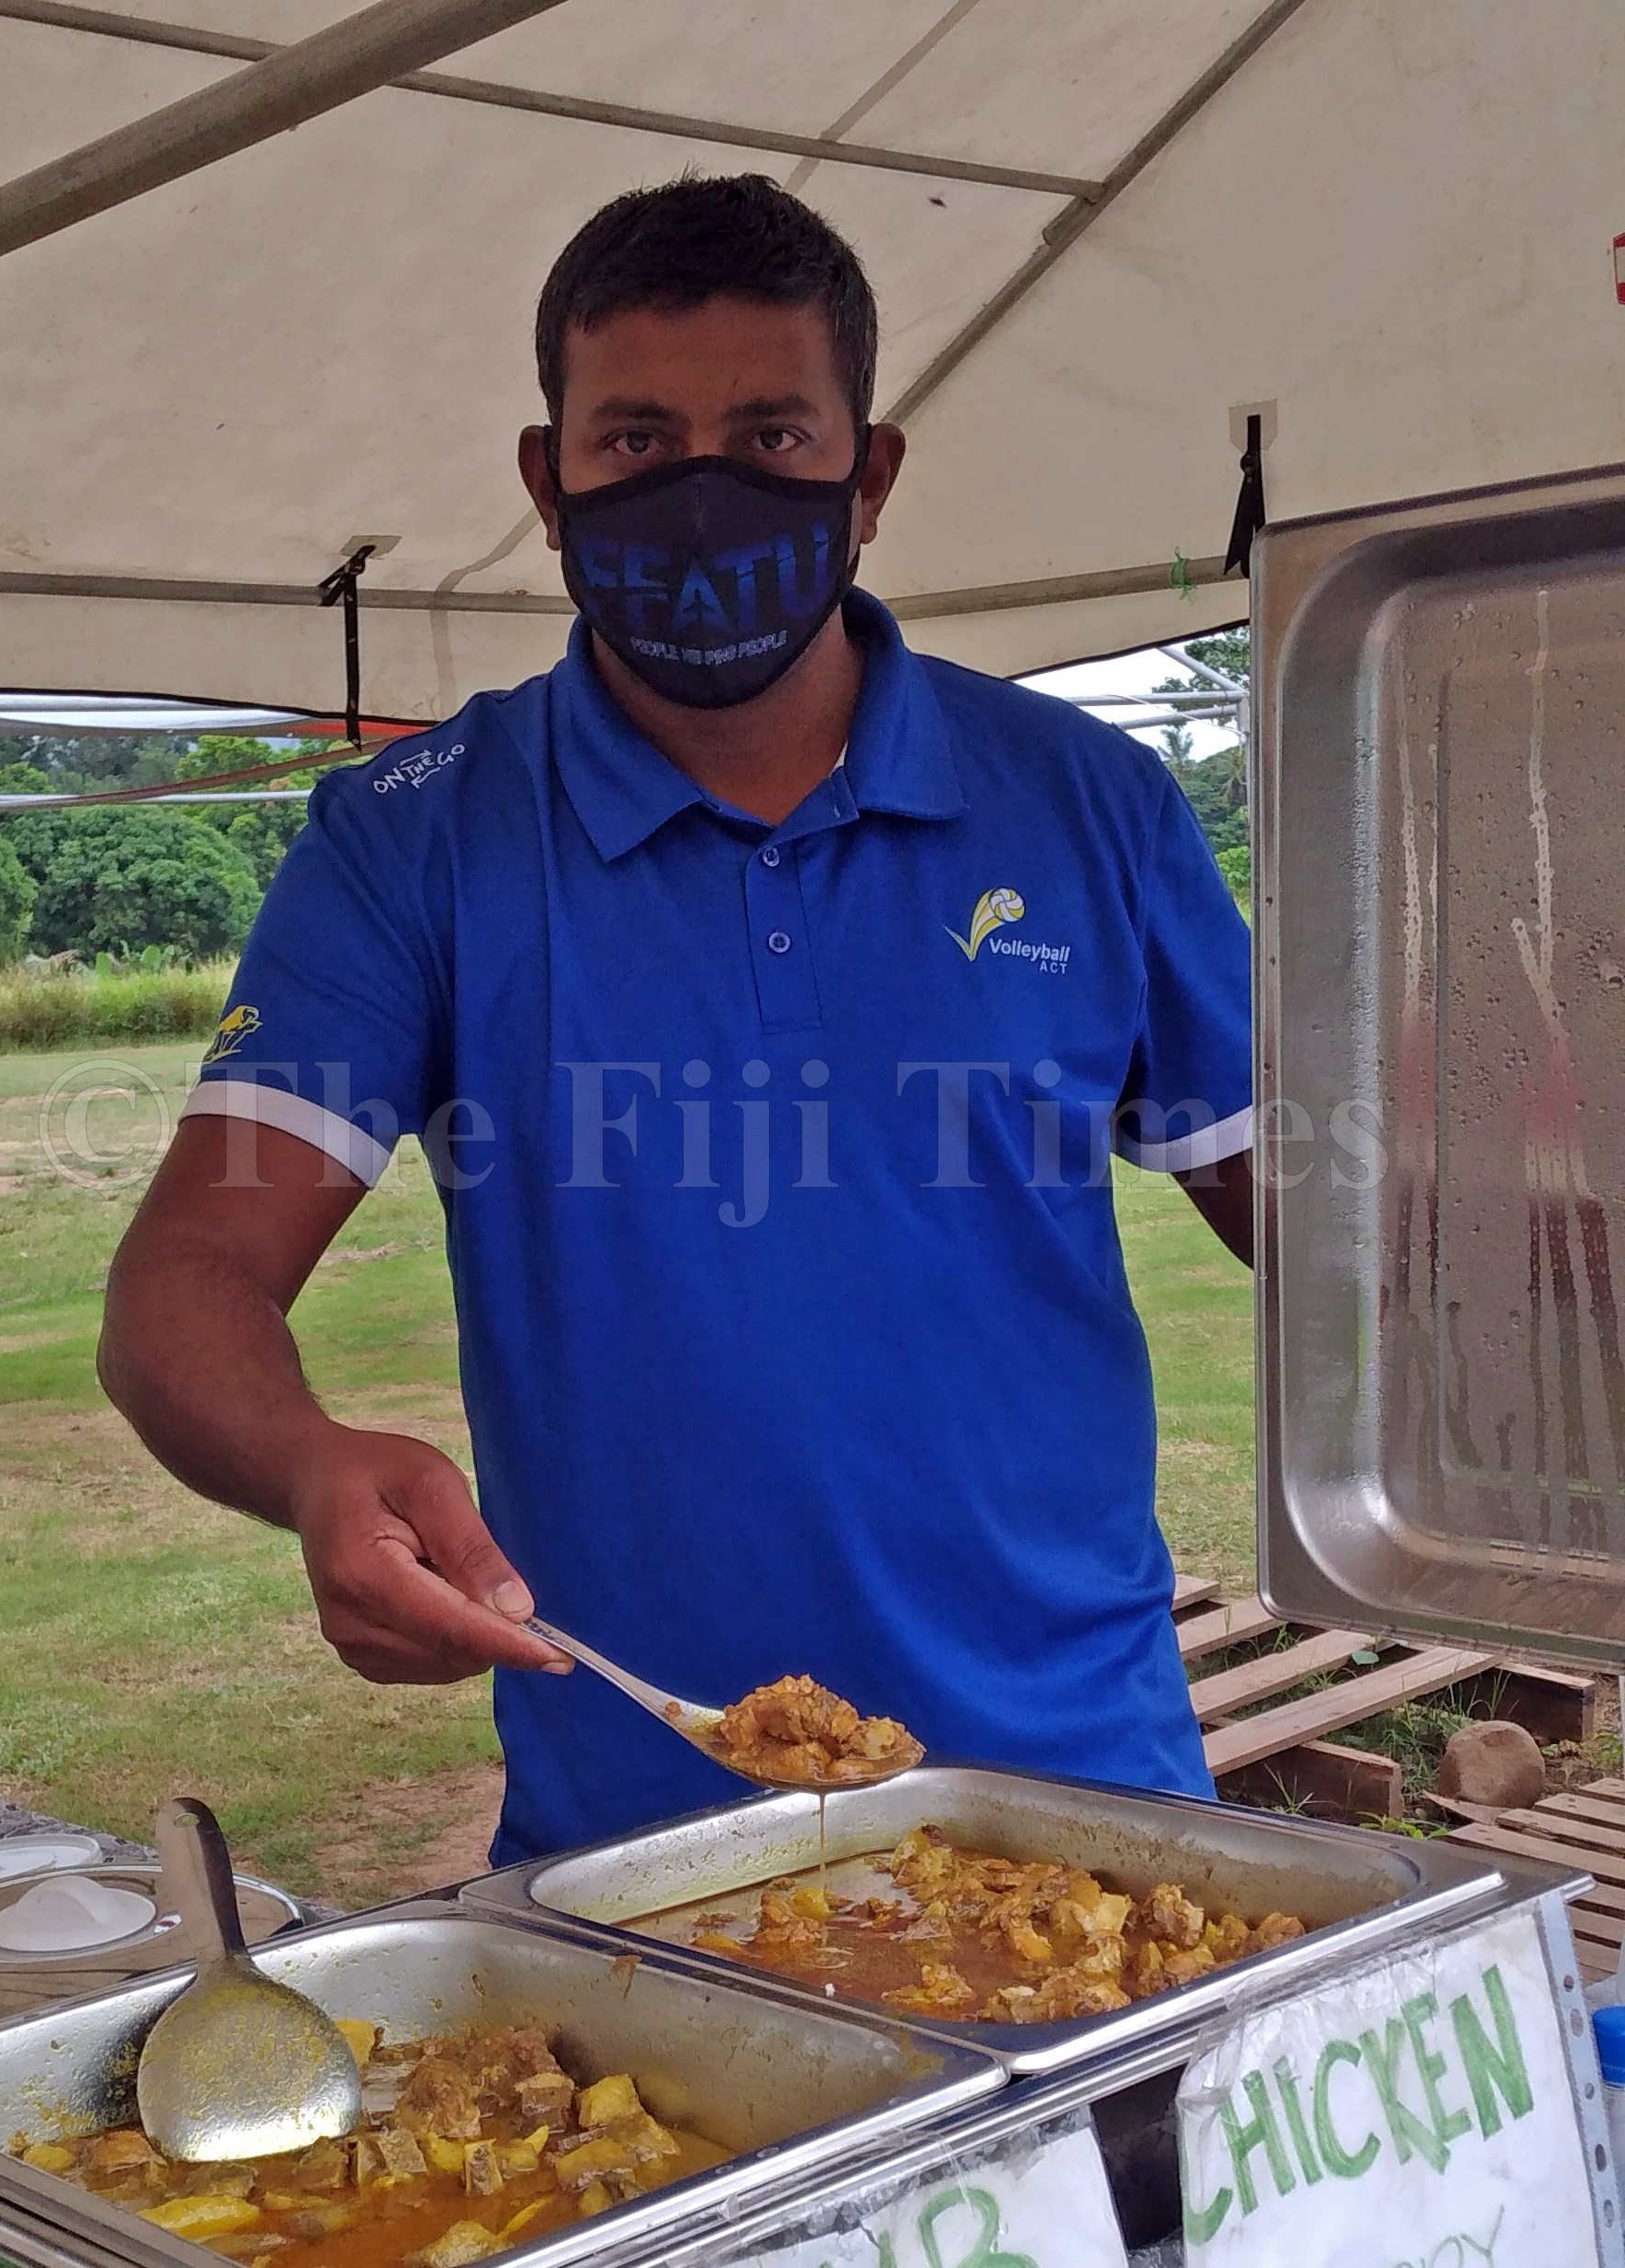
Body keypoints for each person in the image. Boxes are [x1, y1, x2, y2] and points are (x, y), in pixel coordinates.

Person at [99, 175, 1253, 1867]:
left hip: (1090, 1812)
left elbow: (1345, 1228)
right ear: (545, 481)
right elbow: (179, 1283)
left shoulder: (1089, 804)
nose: (704, 490)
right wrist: (310, 1461)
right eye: (637, 441)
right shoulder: (416, 837)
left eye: (773, 434)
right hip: (648, 1843)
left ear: (870, 477)